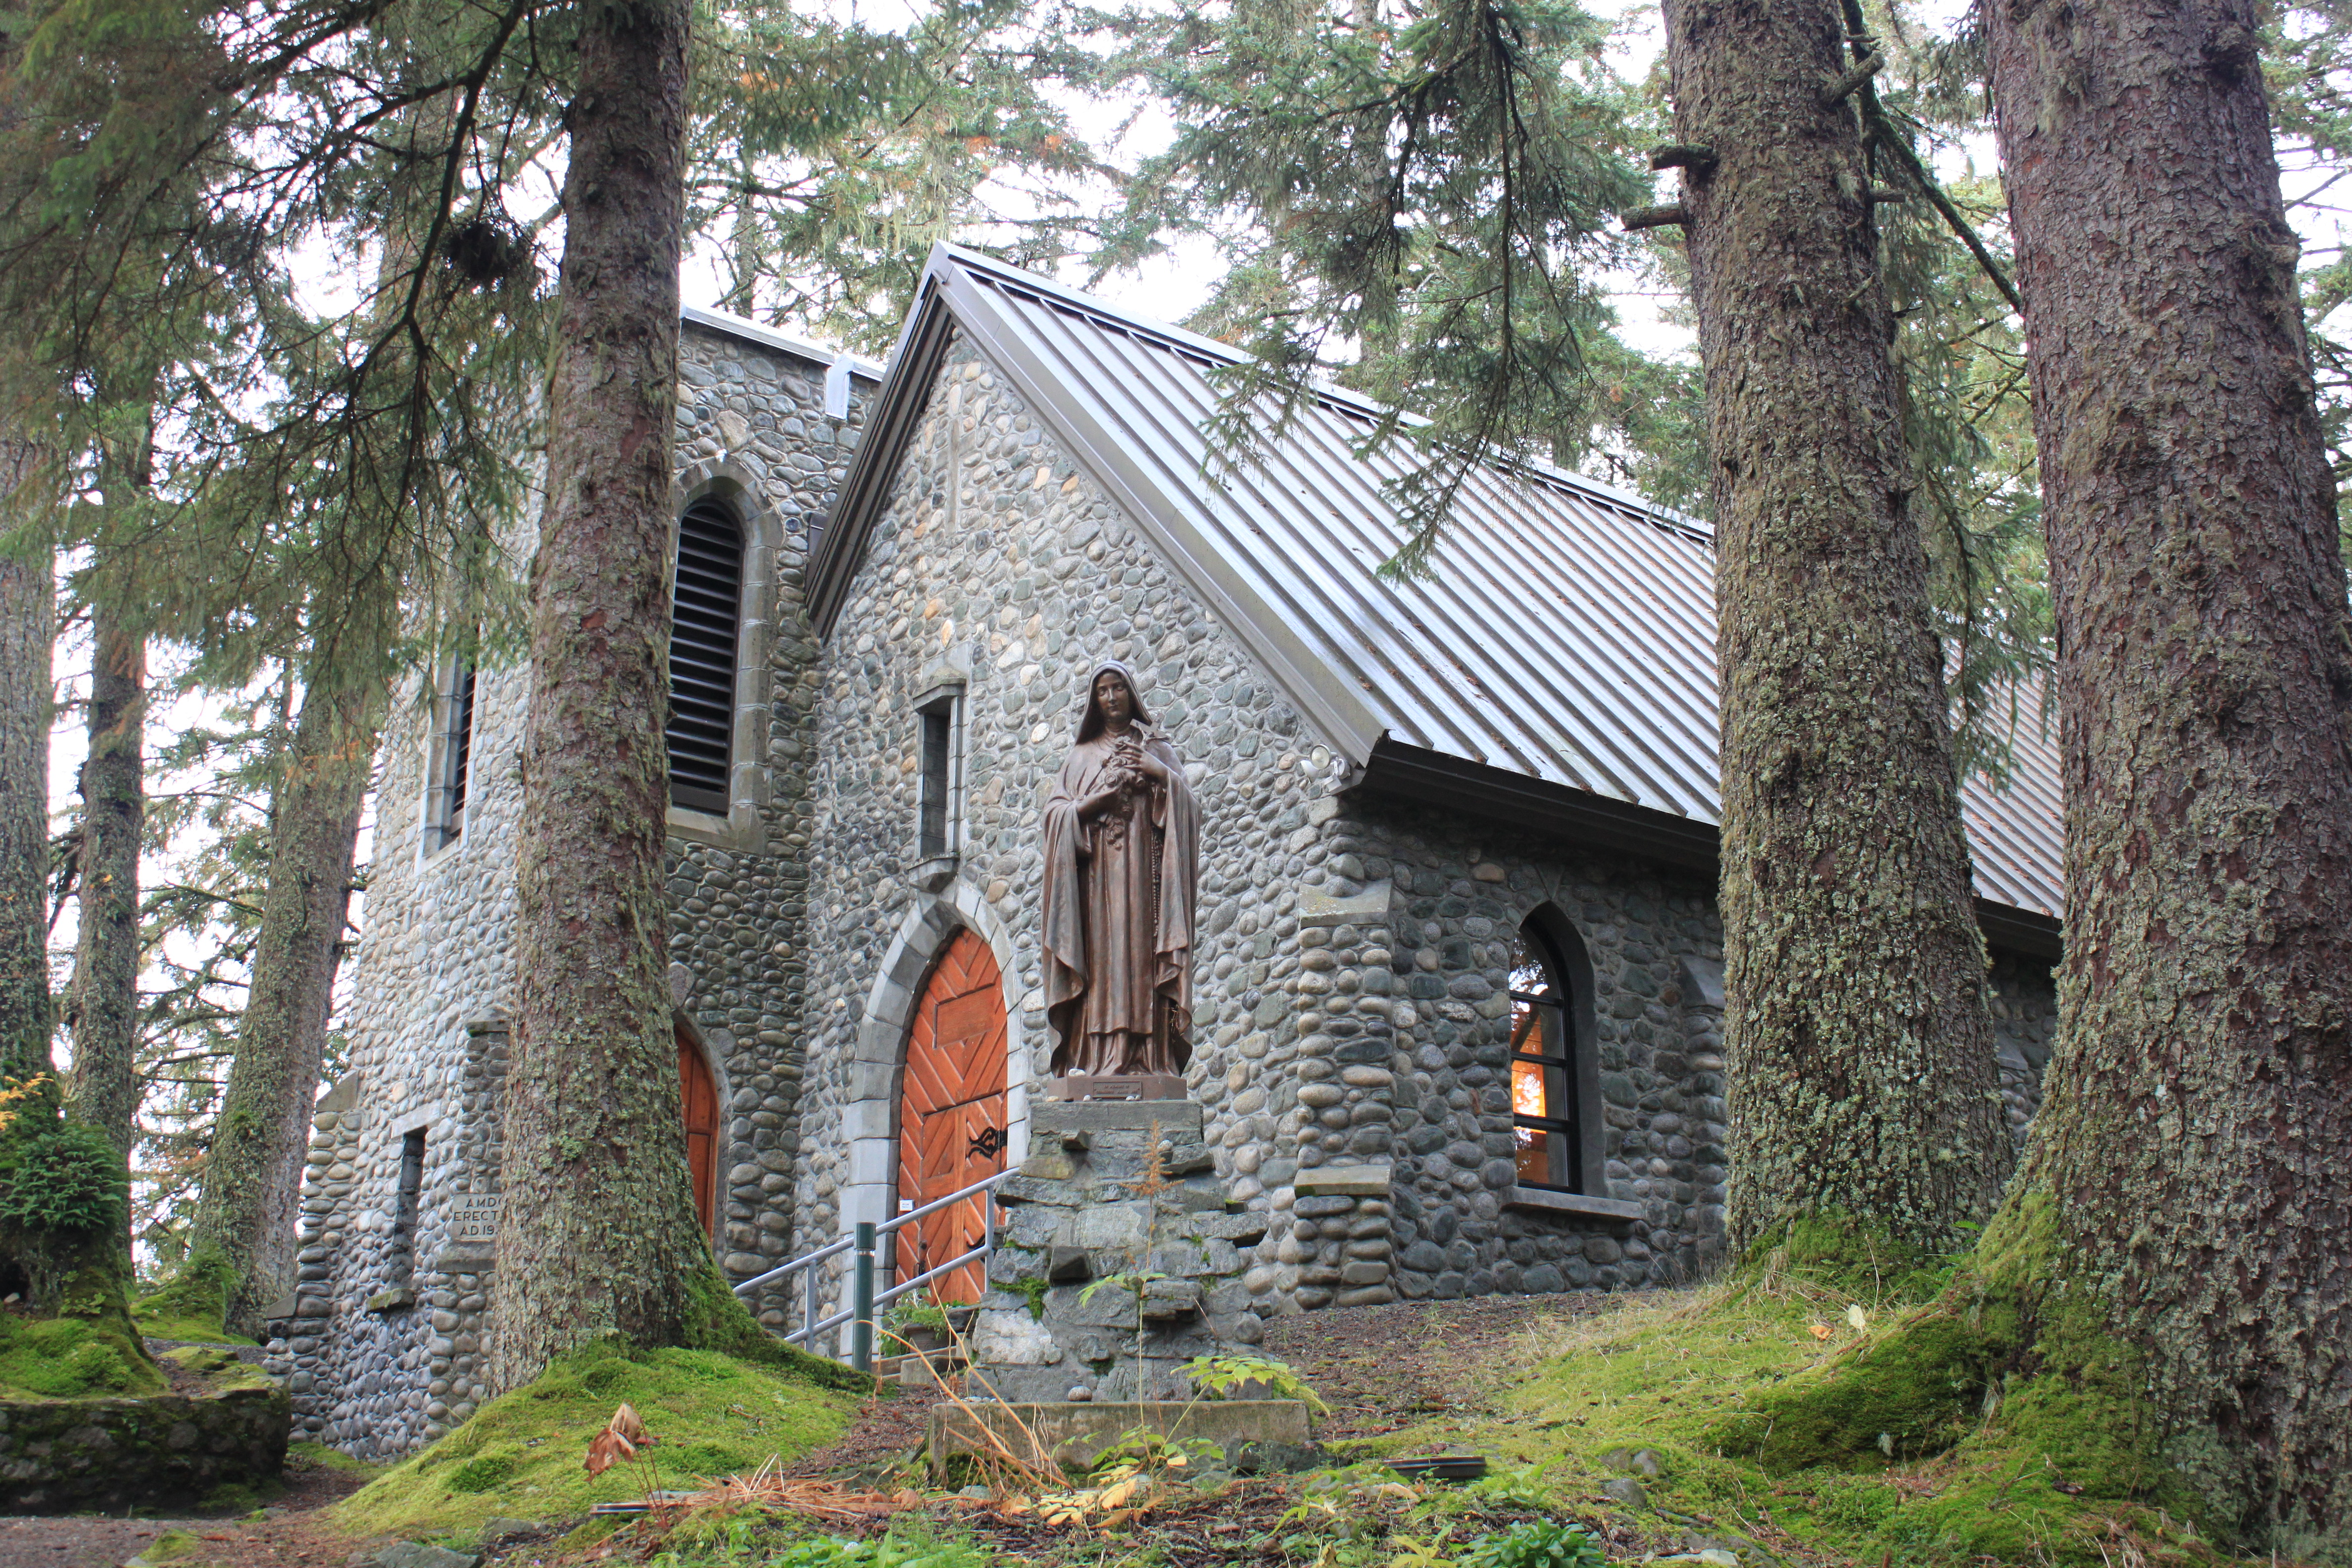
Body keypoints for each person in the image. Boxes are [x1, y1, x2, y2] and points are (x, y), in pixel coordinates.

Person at [1040, 660, 1200, 1081]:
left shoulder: (1156, 749)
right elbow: (1055, 817)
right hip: (1096, 887)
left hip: (1147, 884)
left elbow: (1190, 810)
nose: (1111, 698)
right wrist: (1095, 804)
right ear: (1095, 701)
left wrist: (1159, 774)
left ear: (1132, 693)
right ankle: (1097, 1060)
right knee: (1104, 964)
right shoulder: (1079, 758)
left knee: (1142, 961)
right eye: (1103, 692)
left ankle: (1149, 1057)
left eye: (1118, 689)